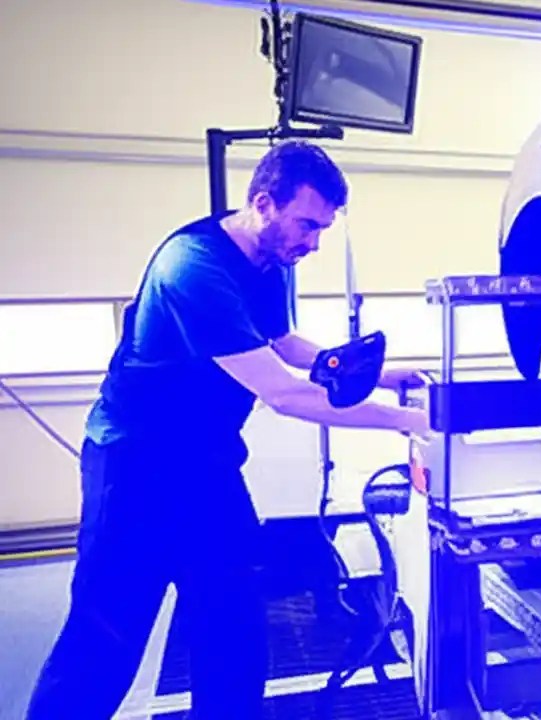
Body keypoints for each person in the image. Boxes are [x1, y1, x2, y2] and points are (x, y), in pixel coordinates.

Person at [24, 140, 429, 720]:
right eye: (306, 225)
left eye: (321, 230)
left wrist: (380, 377)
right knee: (107, 636)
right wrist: (408, 421)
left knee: (233, 626)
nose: (312, 243)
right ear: (264, 203)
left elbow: (283, 344)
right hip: (135, 469)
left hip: (208, 467)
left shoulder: (272, 259)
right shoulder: (194, 266)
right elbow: (283, 393)